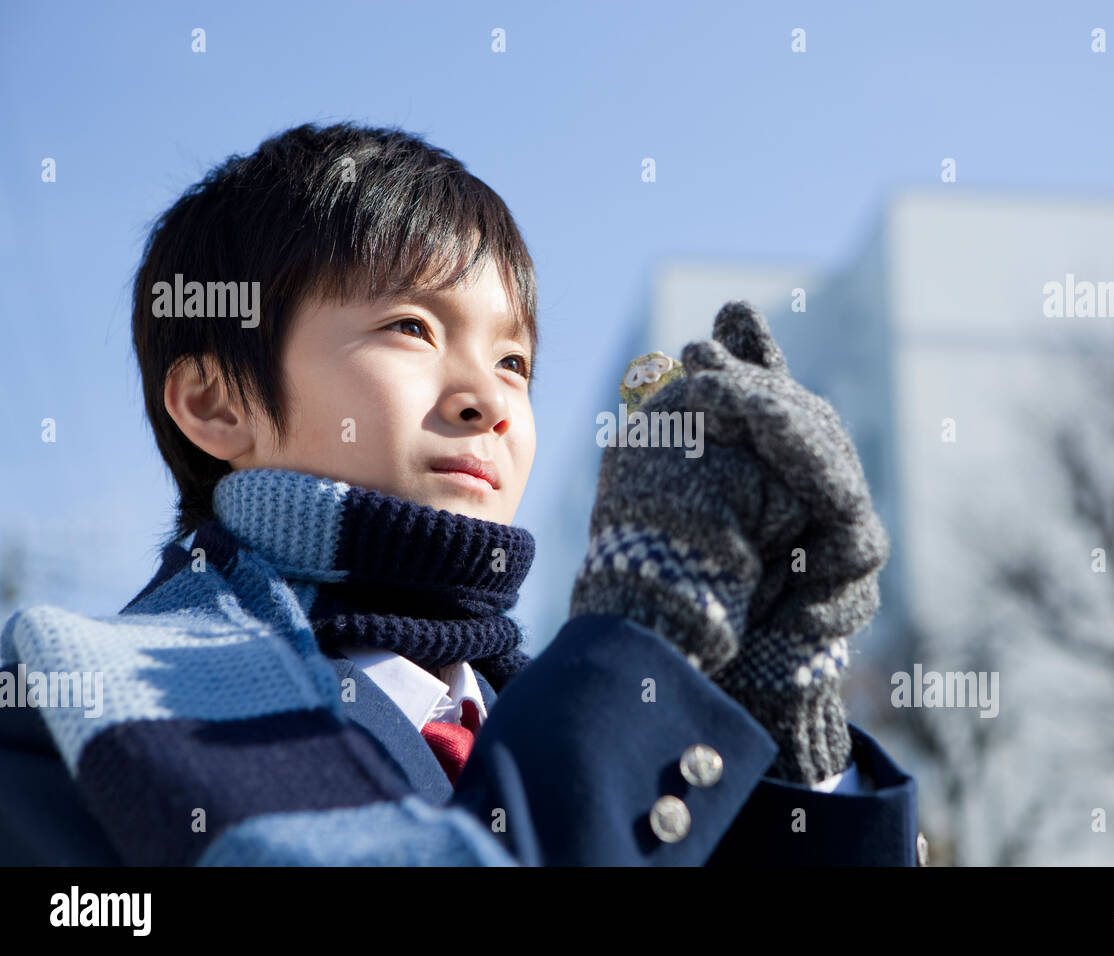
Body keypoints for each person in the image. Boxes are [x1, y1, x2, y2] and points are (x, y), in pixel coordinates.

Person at [0, 122, 918, 866]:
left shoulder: (569, 712)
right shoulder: (70, 699)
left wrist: (783, 728)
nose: (491, 398)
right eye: (410, 326)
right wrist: (646, 640)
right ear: (215, 403)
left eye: (514, 360)